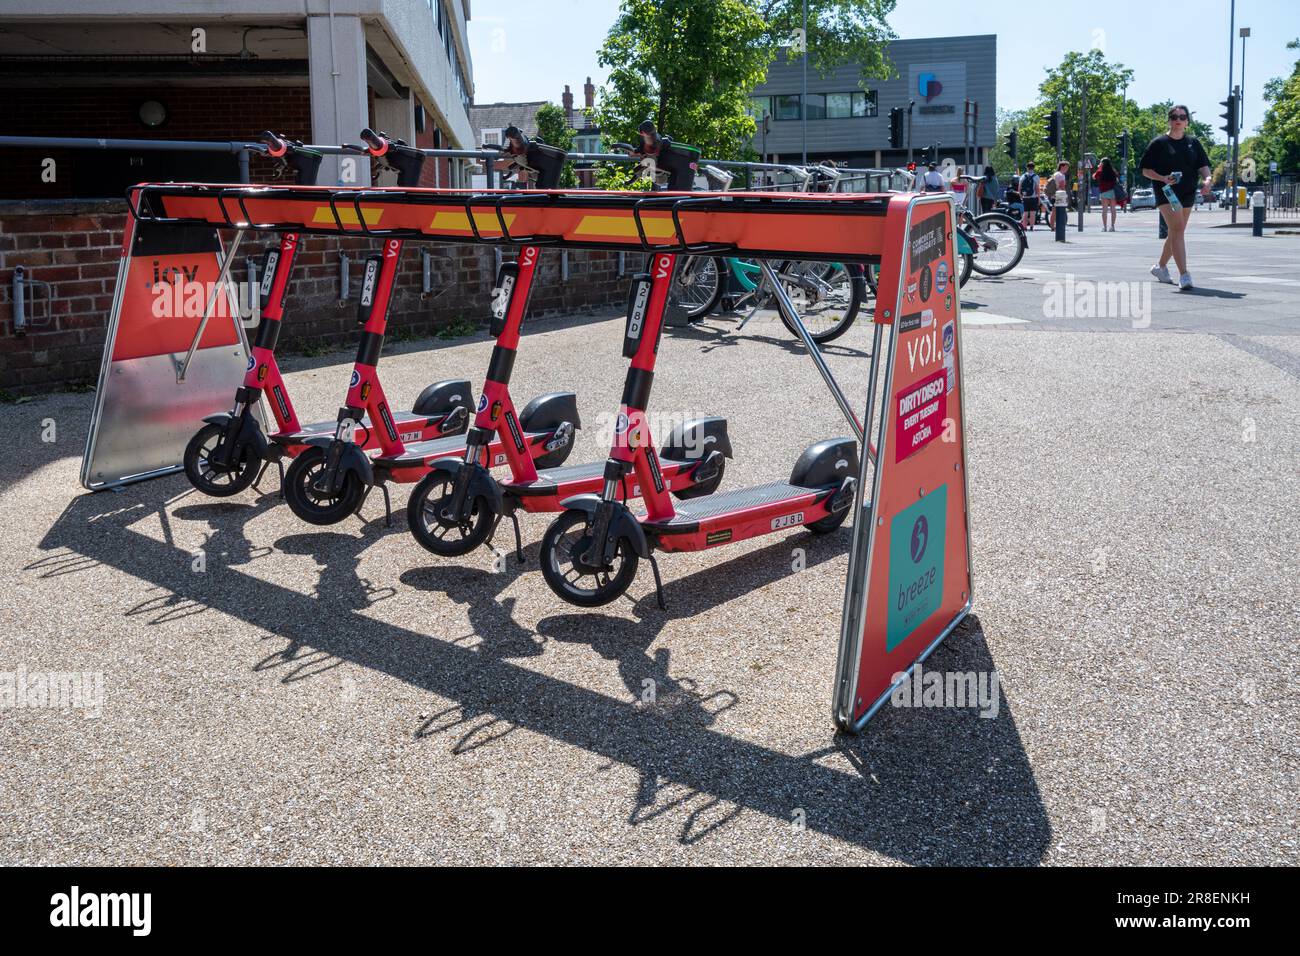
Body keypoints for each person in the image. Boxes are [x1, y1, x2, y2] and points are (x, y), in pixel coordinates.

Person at [1140, 104, 1213, 290]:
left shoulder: (1193, 143)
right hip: (1166, 191)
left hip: (1188, 191)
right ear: (1169, 120)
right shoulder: (1159, 143)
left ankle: (1160, 267)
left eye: (1182, 117)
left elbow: (1203, 166)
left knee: (1175, 231)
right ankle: (1184, 275)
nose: (1178, 120)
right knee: (1178, 229)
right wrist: (1162, 178)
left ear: (1187, 121)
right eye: (1174, 116)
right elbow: (1146, 170)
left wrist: (1207, 180)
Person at [1093, 157, 1119, 232]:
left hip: (1104, 192)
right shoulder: (1113, 171)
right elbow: (1117, 177)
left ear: (1102, 163)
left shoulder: (1100, 171)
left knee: (1104, 210)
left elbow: (1094, 177)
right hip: (1113, 192)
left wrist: (1099, 168)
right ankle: (1112, 226)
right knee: (1113, 210)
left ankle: (1104, 227)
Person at [1019, 162, 1040, 230]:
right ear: (1033, 168)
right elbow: (1037, 188)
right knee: (1032, 213)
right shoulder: (1036, 176)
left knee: (1025, 212)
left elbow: (1019, 187)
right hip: (1033, 197)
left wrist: (1021, 195)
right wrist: (1038, 197)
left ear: (1027, 167)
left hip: (1025, 197)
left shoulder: (1023, 176)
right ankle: (1031, 227)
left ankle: (1024, 227)